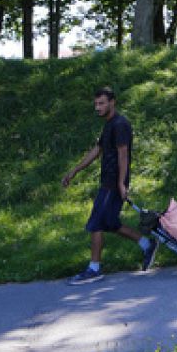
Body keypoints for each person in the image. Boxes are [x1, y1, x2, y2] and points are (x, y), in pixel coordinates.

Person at [59, 86, 147, 284]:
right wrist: (74, 171)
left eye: (101, 103)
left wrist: (121, 183)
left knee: (96, 223)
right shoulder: (109, 125)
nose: (97, 107)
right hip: (109, 181)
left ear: (112, 102)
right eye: (96, 104)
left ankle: (94, 268)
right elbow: (97, 150)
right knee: (109, 222)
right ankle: (147, 244)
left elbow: (123, 155)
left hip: (113, 183)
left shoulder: (120, 124)